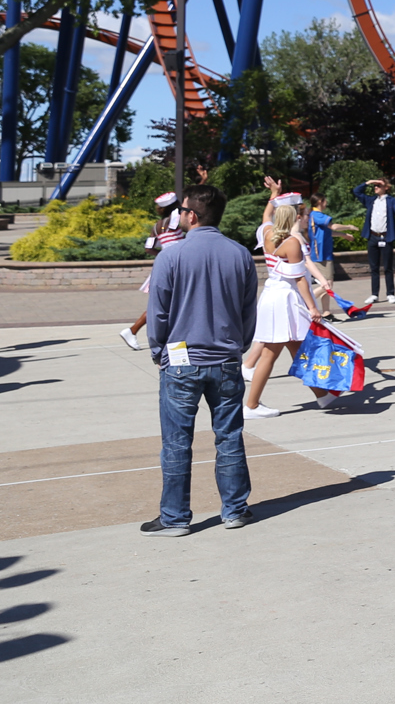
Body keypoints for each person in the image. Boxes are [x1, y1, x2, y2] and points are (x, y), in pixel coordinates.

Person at [142, 183, 258, 534]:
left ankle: (176, 517)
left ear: (191, 215)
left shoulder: (171, 256)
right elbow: (247, 311)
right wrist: (238, 346)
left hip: (180, 359)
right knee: (229, 435)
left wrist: (158, 351)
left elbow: (157, 312)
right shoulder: (240, 254)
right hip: (225, 357)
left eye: (182, 210)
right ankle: (234, 509)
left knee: (177, 440)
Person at [243, 202, 331, 419]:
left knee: (297, 349)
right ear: (291, 219)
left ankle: (322, 395)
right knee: (269, 354)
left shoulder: (267, 232)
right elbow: (300, 278)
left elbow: (265, 217)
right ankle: (251, 405)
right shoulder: (291, 243)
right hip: (284, 299)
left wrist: (272, 197)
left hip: (273, 295)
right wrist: (313, 307)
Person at [120, 192, 186, 351]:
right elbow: (190, 207)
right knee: (172, 303)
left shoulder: (156, 226)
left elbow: (148, 248)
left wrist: (162, 254)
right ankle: (136, 331)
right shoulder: (175, 219)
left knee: (163, 304)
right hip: (176, 265)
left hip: (164, 265)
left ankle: (133, 330)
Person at [356, 178, 395, 304]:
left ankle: (390, 293)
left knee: (388, 267)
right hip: (373, 237)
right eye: (375, 186)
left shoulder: (391, 201)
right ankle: (374, 294)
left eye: (379, 185)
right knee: (374, 267)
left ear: (386, 187)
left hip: (386, 237)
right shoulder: (371, 201)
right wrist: (368, 183)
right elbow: (357, 192)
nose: (376, 188)